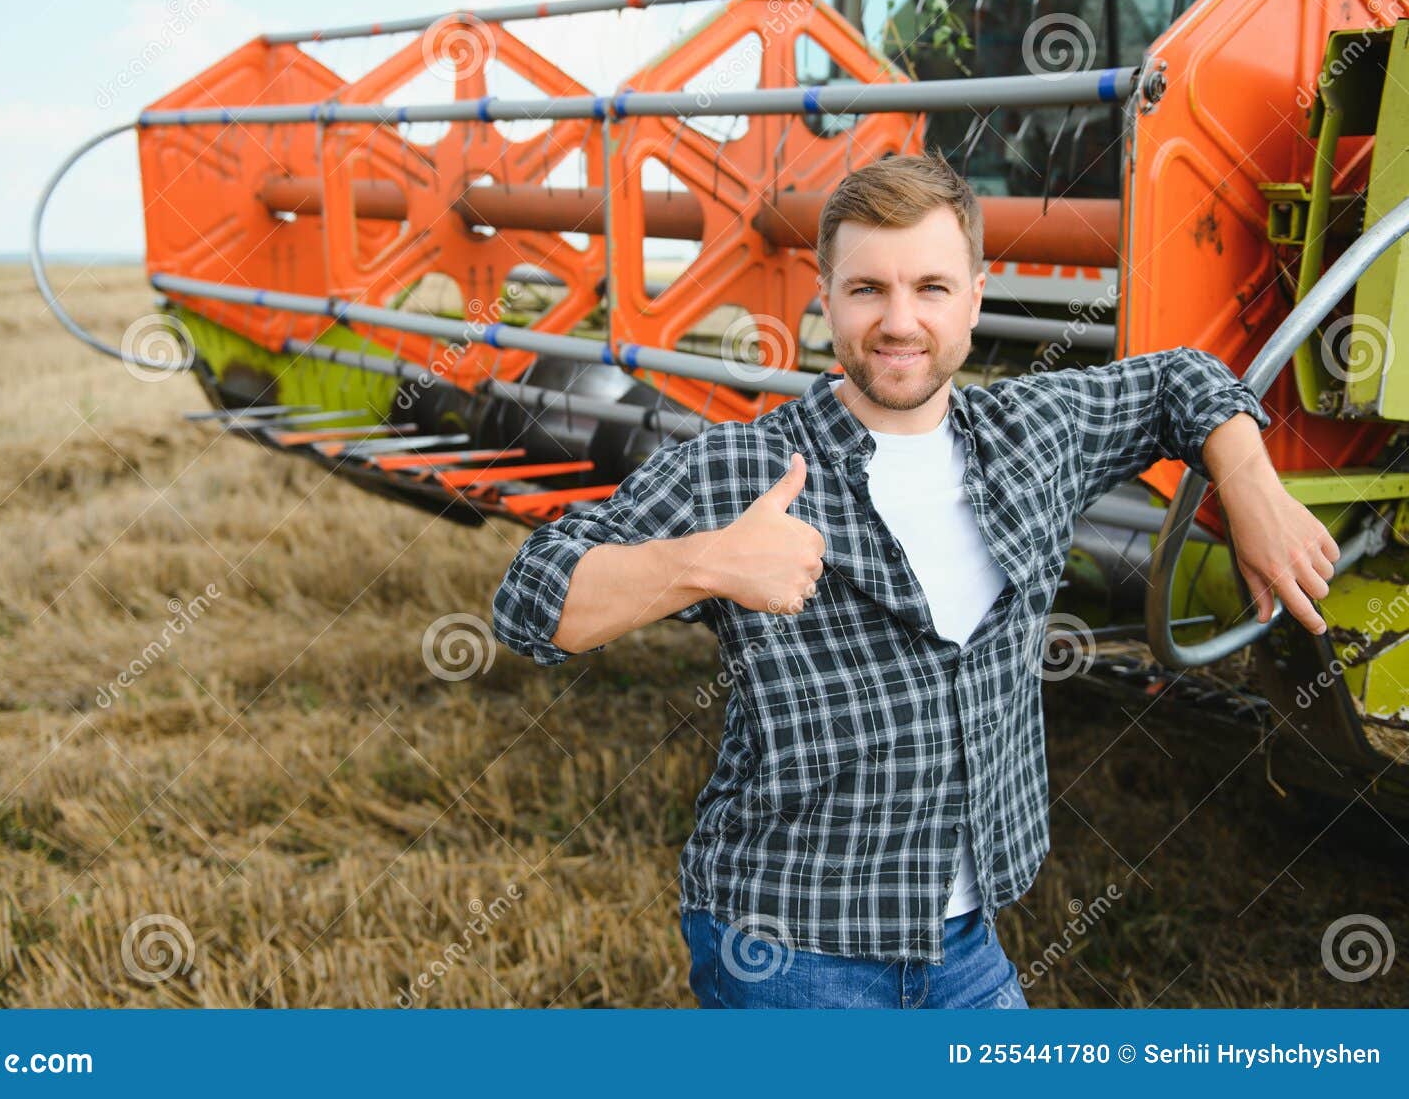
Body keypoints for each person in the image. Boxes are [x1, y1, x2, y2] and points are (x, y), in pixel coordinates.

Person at [490, 153, 1339, 1008]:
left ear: (975, 296)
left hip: (964, 949)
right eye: (869, 290)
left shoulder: (1033, 434)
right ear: (827, 297)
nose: (900, 322)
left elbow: (1180, 380)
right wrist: (705, 563)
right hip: (789, 950)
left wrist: (1253, 489)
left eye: (931, 288)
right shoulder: (747, 467)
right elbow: (531, 601)